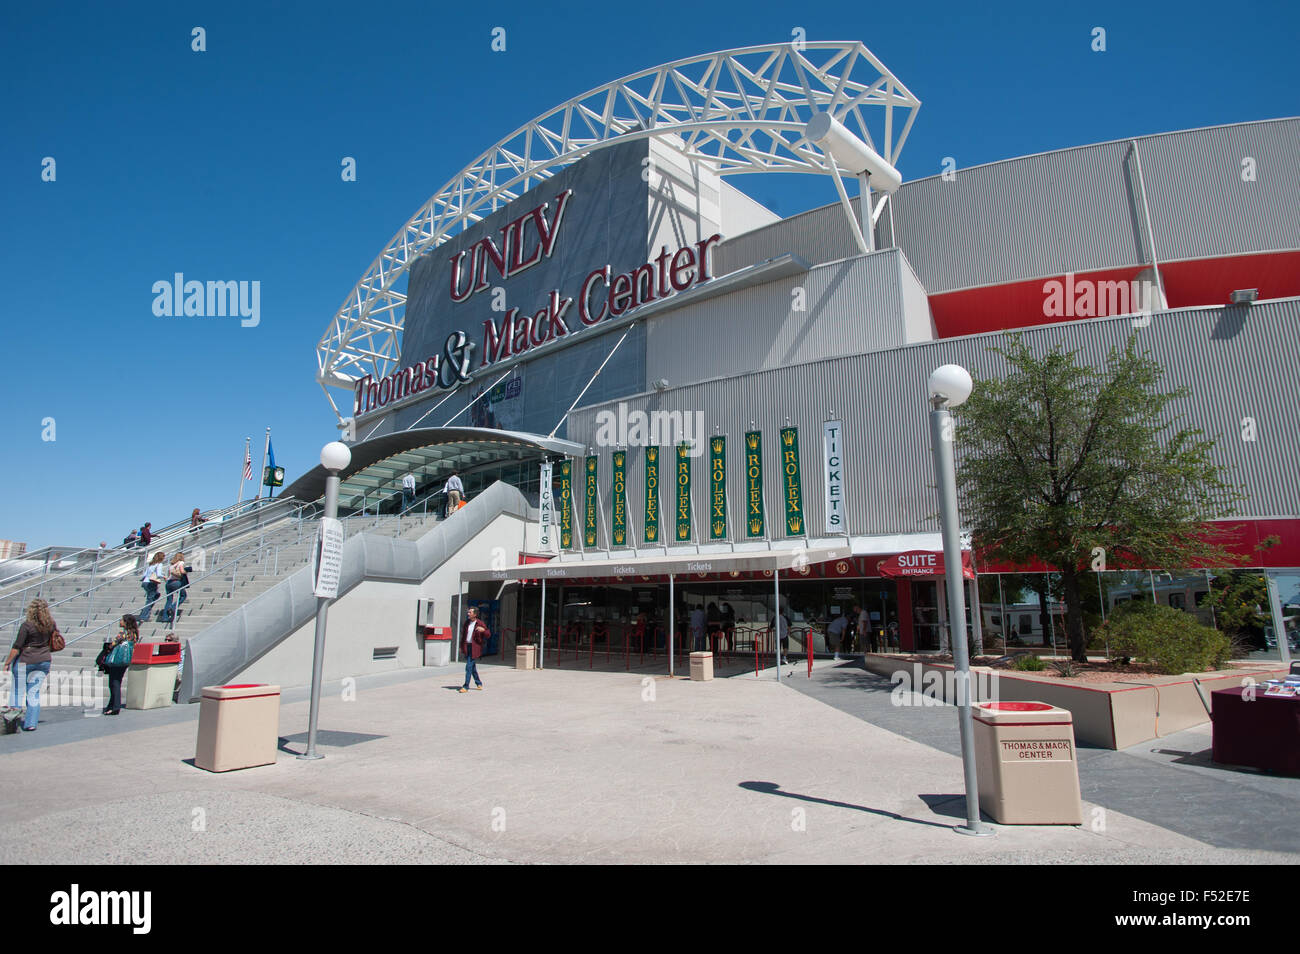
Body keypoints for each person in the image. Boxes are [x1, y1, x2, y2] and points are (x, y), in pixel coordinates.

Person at [6, 598, 59, 731]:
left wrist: (7, 662)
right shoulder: (51, 624)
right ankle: (31, 724)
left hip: (26, 660)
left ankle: (13, 723)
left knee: (17, 692)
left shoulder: (27, 625)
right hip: (44, 661)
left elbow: (17, 646)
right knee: (33, 693)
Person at [101, 615, 139, 715]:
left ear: (126, 622)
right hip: (125, 661)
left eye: (122, 620)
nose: (120, 621)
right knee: (116, 682)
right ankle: (111, 705)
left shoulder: (123, 633)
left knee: (114, 683)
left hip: (118, 660)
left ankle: (115, 707)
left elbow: (113, 643)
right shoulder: (134, 633)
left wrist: (108, 647)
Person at [459, 605, 489, 692]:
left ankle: (466, 686)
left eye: (470, 612)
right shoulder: (466, 623)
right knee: (472, 667)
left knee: (468, 666)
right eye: (468, 612)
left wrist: (483, 630)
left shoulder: (480, 623)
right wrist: (461, 646)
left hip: (474, 648)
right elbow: (463, 636)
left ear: (475, 614)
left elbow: (488, 634)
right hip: (467, 646)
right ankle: (478, 683)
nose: (468, 613)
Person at [139, 551, 167, 621]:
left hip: (145, 582)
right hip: (151, 582)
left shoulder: (151, 564)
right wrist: (164, 577)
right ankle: (144, 616)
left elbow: (144, 574)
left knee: (154, 596)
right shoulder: (159, 564)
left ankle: (146, 612)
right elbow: (158, 574)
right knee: (150, 600)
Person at [161, 552, 186, 623]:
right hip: (176, 582)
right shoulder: (181, 563)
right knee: (183, 595)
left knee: (169, 599)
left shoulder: (171, 565)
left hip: (169, 583)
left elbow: (169, 576)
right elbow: (182, 571)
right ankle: (173, 607)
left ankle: (165, 617)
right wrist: (186, 571)